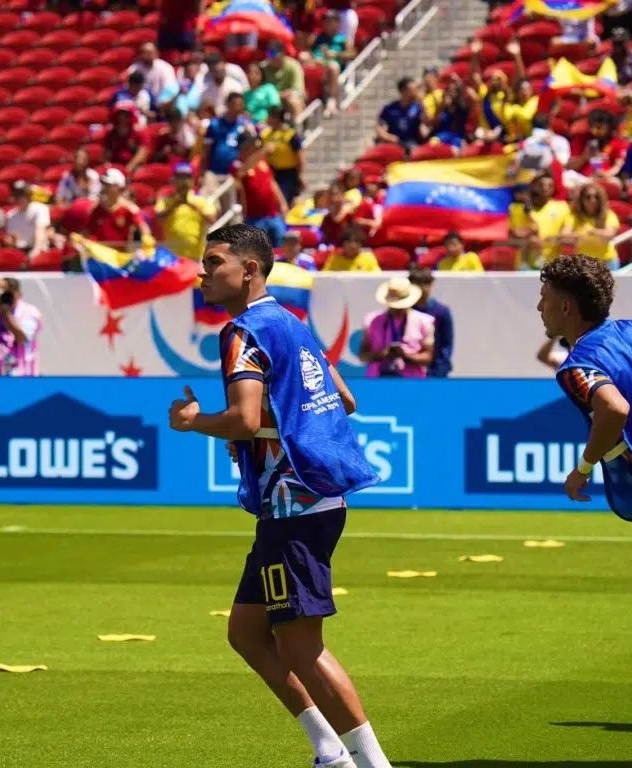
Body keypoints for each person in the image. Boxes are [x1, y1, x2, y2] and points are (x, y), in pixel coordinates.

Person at [168, 223, 392, 768]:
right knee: (247, 632)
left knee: (300, 647)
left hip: (295, 505)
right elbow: (345, 398)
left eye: (214, 262)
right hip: (304, 500)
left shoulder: (243, 332)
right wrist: (275, 429)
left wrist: (195, 421)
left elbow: (243, 419)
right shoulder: (293, 325)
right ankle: (328, 750)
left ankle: (372, 762)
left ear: (249, 270)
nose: (203, 273)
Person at [538, 253, 632, 529]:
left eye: (544, 298)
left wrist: (583, 469)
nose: (539, 307)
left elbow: (614, 408)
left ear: (566, 306)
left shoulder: (579, 365)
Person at [358, 275, 435, 378]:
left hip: (412, 382)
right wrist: (383, 354)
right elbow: (363, 355)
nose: (398, 309)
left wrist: (406, 356)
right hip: (378, 381)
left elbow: (428, 357)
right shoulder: (371, 321)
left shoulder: (424, 322)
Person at [0, 277, 42, 377]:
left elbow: (21, 337)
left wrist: (5, 312)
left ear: (18, 293)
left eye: (9, 293)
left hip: (20, 375)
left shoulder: (30, 312)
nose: (6, 297)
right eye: (3, 293)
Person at [231, 133, 288, 248]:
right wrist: (263, 151)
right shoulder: (237, 164)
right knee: (258, 250)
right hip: (254, 218)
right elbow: (242, 171)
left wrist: (282, 203)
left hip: (273, 215)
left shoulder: (262, 162)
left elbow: (271, 182)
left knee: (282, 246)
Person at [154, 163, 218, 260]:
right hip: (171, 256)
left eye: (187, 177)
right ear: (173, 180)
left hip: (194, 256)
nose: (183, 181)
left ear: (192, 180)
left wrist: (192, 205)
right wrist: (175, 204)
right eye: (180, 177)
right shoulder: (165, 201)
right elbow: (158, 218)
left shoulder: (200, 200)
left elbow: (212, 219)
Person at [508, 171, 570, 269]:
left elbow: (566, 235)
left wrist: (551, 239)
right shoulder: (517, 208)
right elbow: (513, 236)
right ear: (533, 186)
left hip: (553, 265)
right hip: (524, 265)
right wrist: (529, 236)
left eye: (550, 185)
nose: (545, 188)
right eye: (541, 185)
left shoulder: (562, 207)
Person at [560, 182, 621, 270]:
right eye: (588, 197)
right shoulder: (573, 216)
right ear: (582, 199)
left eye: (596, 197)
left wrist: (590, 231)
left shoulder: (609, 215)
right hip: (583, 263)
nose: (592, 200)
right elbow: (564, 236)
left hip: (607, 261)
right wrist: (596, 233)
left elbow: (609, 235)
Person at [85, 168, 150, 249]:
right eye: (104, 184)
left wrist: (145, 243)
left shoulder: (129, 209)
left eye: (108, 185)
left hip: (120, 257)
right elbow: (87, 232)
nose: (104, 188)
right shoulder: (97, 208)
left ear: (118, 187)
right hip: (99, 256)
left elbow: (144, 228)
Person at [410, 267, 454, 378]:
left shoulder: (442, 312)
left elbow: (446, 345)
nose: (423, 288)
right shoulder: (405, 311)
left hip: (436, 372)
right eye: (418, 284)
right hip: (411, 371)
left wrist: (438, 372)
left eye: (426, 283)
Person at [261, 106, 306, 206]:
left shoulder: (290, 135)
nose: (267, 119)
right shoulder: (265, 134)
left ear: (276, 118)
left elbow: (300, 155)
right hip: (272, 172)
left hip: (288, 174)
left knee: (285, 200)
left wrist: (300, 174)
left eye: (269, 116)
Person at [5, 180, 51, 258]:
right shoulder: (10, 215)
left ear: (28, 195)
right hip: (19, 252)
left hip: (37, 250)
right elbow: (11, 239)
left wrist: (36, 249)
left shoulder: (40, 208)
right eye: (17, 195)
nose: (19, 198)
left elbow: (40, 230)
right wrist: (10, 241)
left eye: (22, 195)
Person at [376, 77, 424, 150]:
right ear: (403, 91)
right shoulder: (389, 109)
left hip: (412, 144)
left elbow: (429, 123)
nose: (416, 92)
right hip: (393, 143)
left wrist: (422, 104)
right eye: (413, 90)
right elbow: (379, 126)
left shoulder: (418, 108)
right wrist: (387, 137)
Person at [103, 102, 150, 175]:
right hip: (115, 168)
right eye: (120, 115)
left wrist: (128, 168)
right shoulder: (111, 134)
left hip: (134, 168)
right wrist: (109, 168)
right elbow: (106, 154)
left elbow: (142, 153)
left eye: (126, 115)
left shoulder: (140, 133)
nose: (122, 118)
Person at [262, 41, 306, 117]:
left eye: (274, 54)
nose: (271, 58)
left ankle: (298, 127)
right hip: (269, 101)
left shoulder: (294, 65)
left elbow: (298, 90)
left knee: (293, 100)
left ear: (283, 54)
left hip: (287, 101)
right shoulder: (263, 67)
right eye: (268, 54)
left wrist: (282, 95)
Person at [128, 42, 179, 108]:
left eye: (149, 52)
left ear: (156, 54)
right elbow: (129, 88)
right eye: (143, 52)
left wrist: (160, 103)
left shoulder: (165, 68)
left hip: (160, 102)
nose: (146, 55)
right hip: (139, 102)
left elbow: (169, 89)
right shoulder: (134, 69)